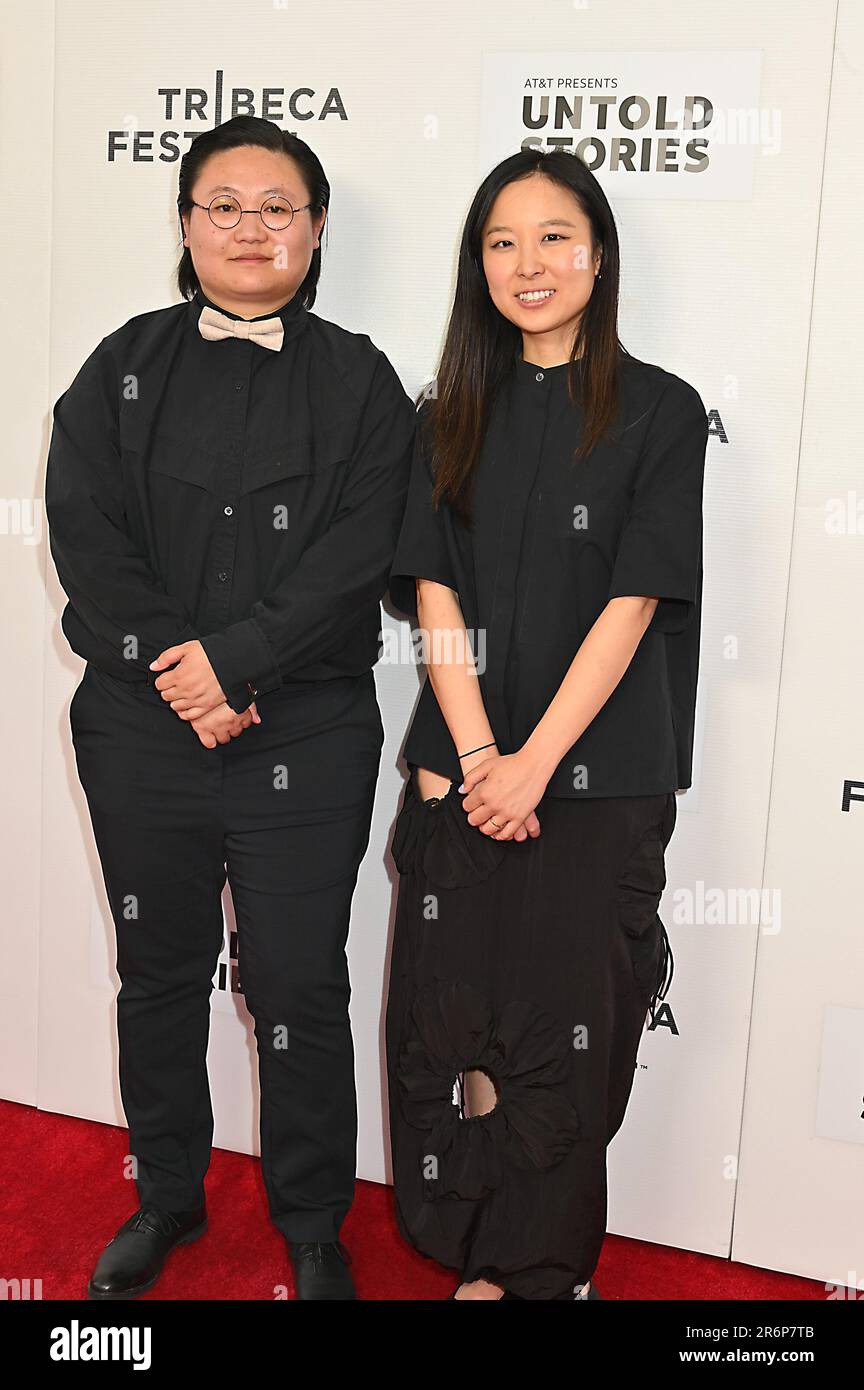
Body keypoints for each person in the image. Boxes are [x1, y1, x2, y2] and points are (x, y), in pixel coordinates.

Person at [45, 115, 415, 1300]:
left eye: (277, 208)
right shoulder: (121, 364)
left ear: (314, 231)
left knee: (300, 979)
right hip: (139, 724)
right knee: (158, 970)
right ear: (186, 224)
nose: (250, 228)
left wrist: (238, 665)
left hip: (303, 727)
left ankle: (313, 1221)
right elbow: (85, 536)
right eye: (223, 204)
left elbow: (358, 555)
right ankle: (164, 1196)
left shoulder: (361, 381)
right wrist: (181, 667)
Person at [384, 147, 710, 1300]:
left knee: (567, 1031)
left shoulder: (662, 411)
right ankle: (476, 1244)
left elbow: (633, 605)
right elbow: (435, 590)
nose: (530, 263)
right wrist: (478, 758)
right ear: (477, 263)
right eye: (502, 241)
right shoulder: (445, 414)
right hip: (459, 771)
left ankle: (530, 1272)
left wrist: (533, 765)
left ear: (600, 252)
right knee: (459, 1026)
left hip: (595, 773)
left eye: (555, 236)